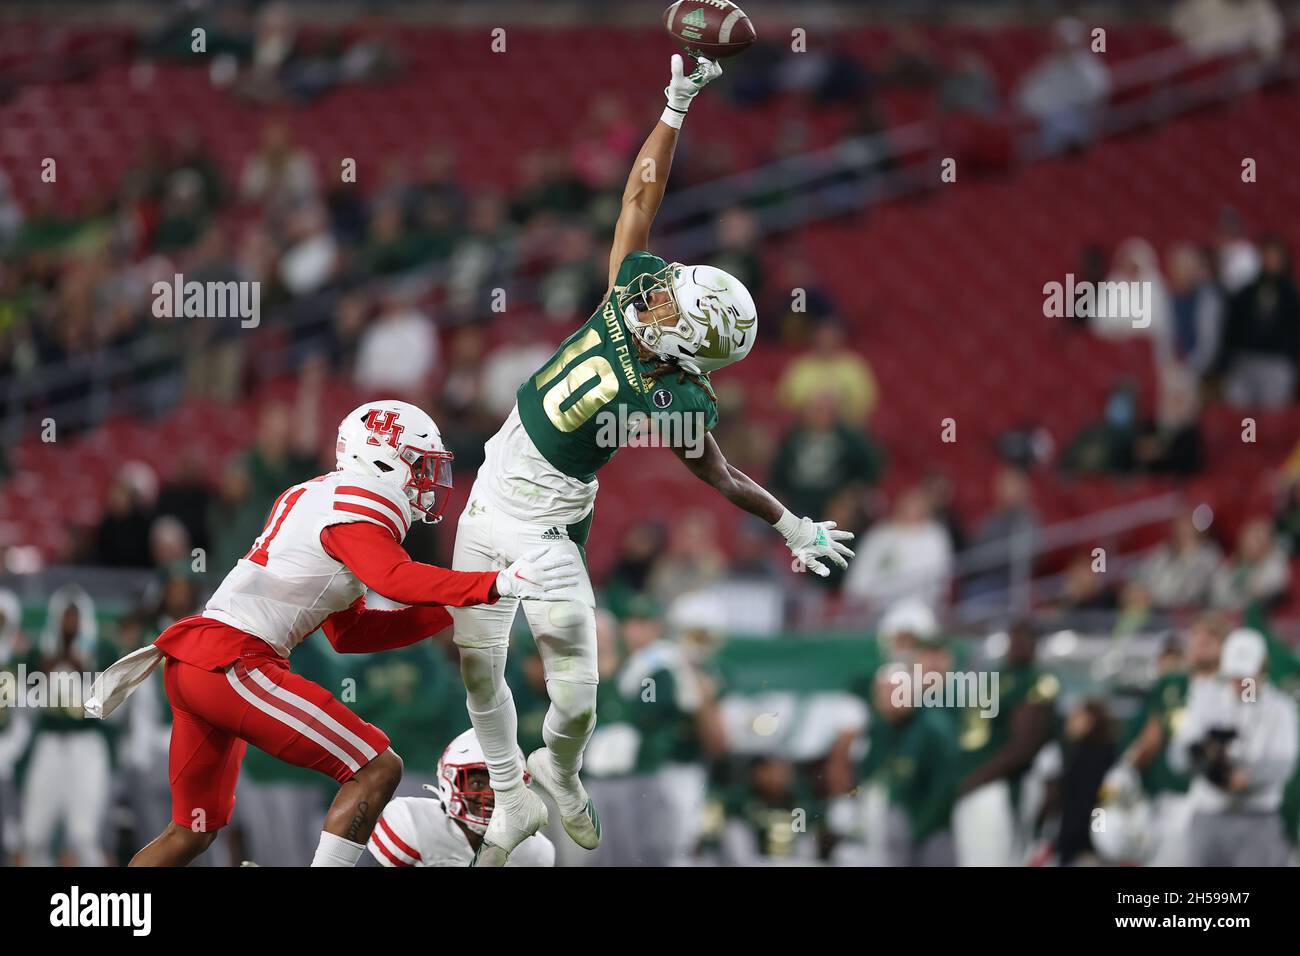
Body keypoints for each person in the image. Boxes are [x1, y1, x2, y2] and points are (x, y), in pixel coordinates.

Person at [448, 55, 855, 865]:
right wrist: (676, 106)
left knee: (577, 689)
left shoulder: (681, 400)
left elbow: (716, 472)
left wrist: (788, 522)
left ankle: (557, 773)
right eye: (670, 285)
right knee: (476, 664)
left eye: (674, 301)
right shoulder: (627, 292)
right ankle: (510, 799)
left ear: (691, 342)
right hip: (492, 484)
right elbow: (640, 195)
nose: (657, 289)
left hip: (551, 523)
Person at [86, 400, 579, 867]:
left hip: (198, 661)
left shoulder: (318, 497)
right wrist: (492, 583)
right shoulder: (361, 502)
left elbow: (350, 634)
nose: (429, 481)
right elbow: (395, 579)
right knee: (378, 767)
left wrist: (451, 612)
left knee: (190, 832)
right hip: (231, 660)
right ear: (382, 460)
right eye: (421, 465)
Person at [1169, 628, 1299, 866]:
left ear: (1262, 669)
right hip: (1209, 814)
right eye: (1236, 676)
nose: (1241, 684)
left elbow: (1284, 762)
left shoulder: (1280, 709)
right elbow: (1178, 756)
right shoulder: (1206, 699)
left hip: (1257, 818)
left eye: (1247, 677)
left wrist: (1249, 777)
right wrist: (1202, 757)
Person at [365, 729, 554, 868]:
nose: (490, 795)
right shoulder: (411, 823)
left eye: (503, 786)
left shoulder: (536, 852)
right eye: (478, 784)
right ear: (449, 781)